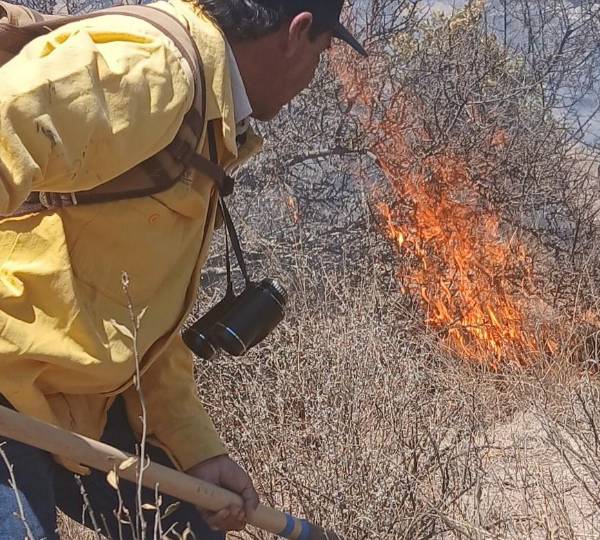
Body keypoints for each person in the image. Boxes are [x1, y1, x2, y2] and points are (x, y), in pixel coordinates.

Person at [0, 0, 366, 538]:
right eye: (323, 53)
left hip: (68, 401)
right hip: (10, 381)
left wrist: (195, 450)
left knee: (193, 526)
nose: (313, 77)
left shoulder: (210, 122)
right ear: (298, 32)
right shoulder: (153, 68)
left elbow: (143, 321)